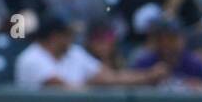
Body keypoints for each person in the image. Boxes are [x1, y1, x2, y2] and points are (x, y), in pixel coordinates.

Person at [15, 13, 166, 90]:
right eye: (68, 34)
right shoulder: (31, 58)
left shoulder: (73, 52)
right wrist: (92, 84)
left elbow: (110, 77)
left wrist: (147, 76)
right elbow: (61, 90)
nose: (72, 38)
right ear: (55, 37)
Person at [130, 17, 202, 89]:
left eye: (171, 39)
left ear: (182, 40)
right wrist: (148, 77)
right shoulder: (146, 61)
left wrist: (200, 87)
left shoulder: (193, 62)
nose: (166, 44)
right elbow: (127, 87)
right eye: (161, 39)